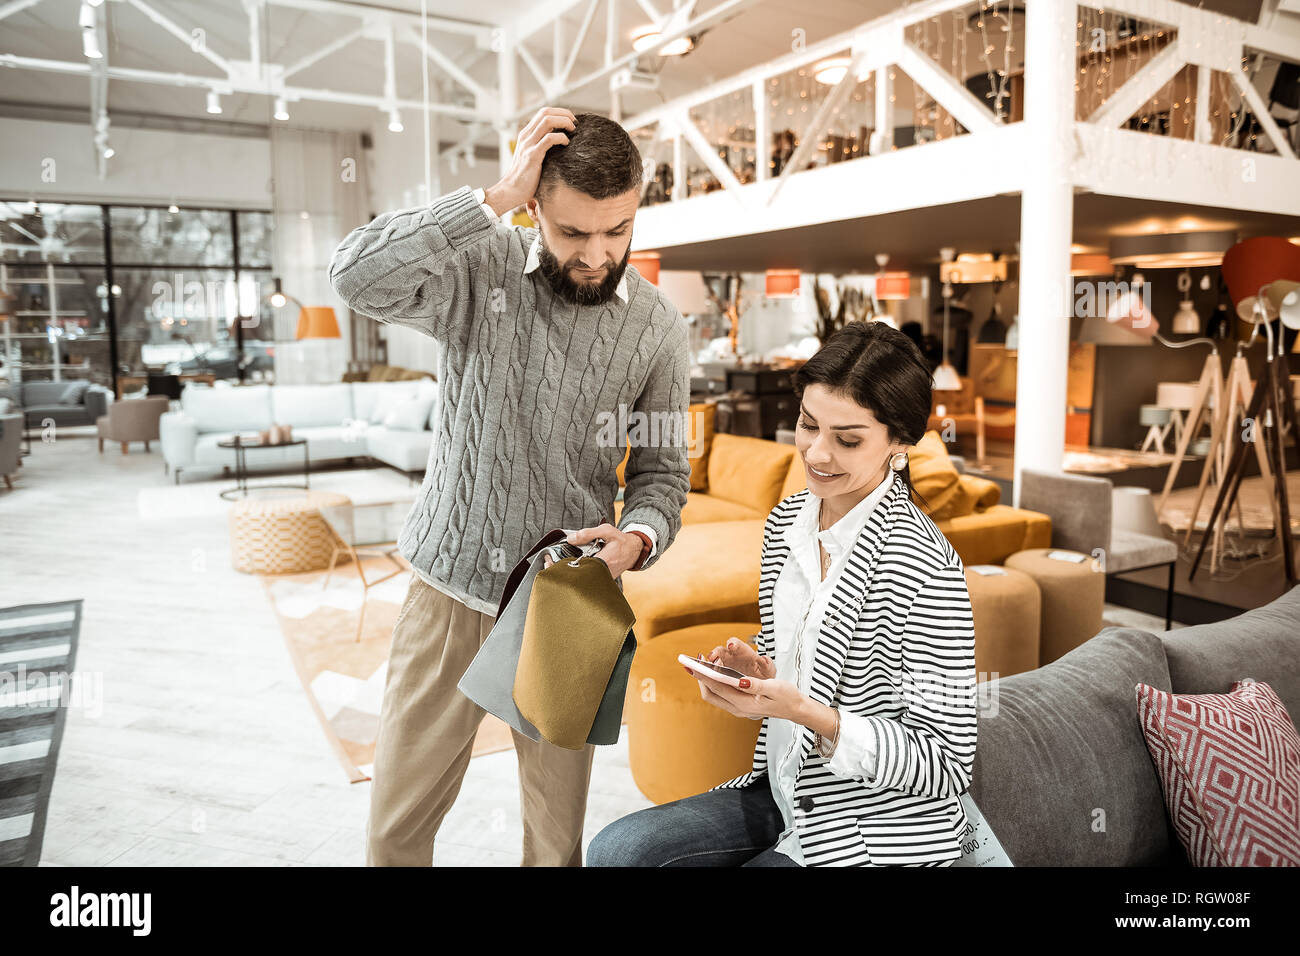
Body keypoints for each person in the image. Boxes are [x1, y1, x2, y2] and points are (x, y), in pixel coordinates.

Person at [328, 107, 691, 866]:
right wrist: (485, 198)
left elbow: (661, 471)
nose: (597, 255)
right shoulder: (480, 264)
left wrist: (640, 535)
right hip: (450, 588)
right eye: (572, 233)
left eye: (617, 231)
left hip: (573, 603)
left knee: (556, 840)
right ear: (534, 208)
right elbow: (356, 275)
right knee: (398, 824)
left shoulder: (658, 326)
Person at [586, 321, 977, 867]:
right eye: (808, 424)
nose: (816, 454)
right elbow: (802, 656)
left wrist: (813, 716)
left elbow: (947, 764)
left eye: (848, 440)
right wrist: (759, 666)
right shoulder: (787, 521)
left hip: (872, 823)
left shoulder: (925, 566)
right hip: (784, 792)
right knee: (615, 852)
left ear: (901, 445)